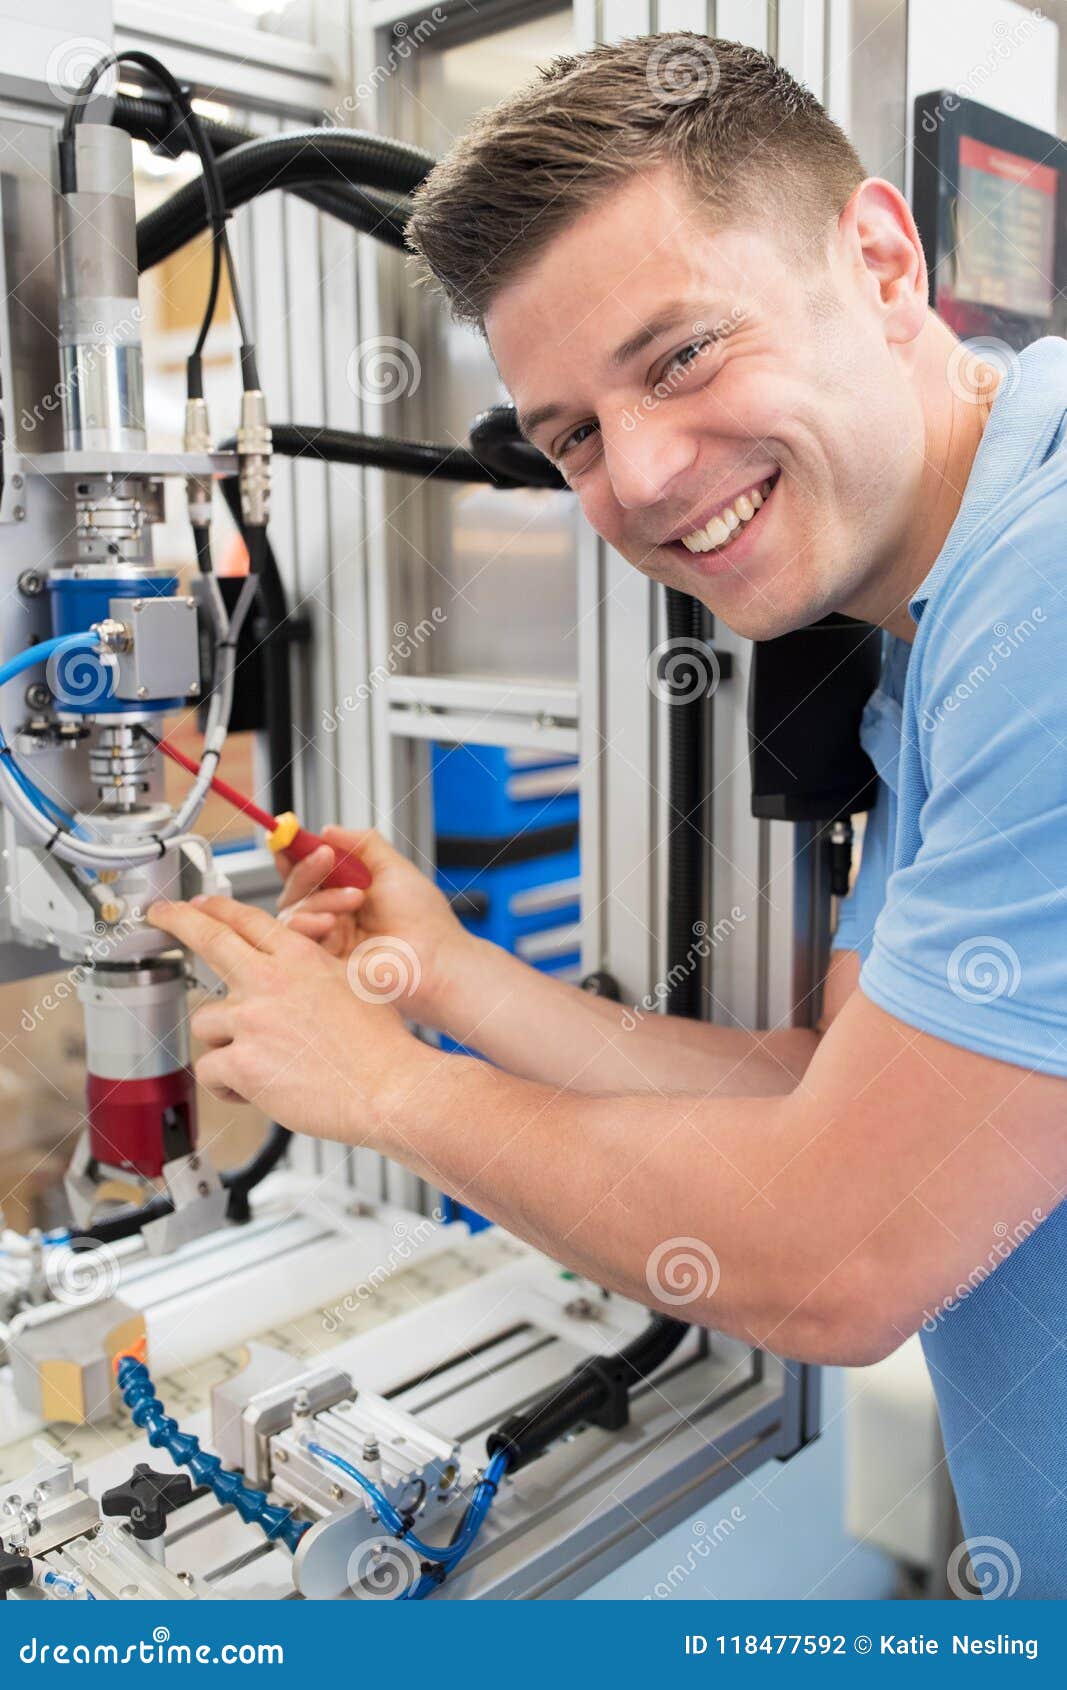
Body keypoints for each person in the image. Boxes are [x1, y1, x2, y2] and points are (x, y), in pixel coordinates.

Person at [149, 36, 1067, 1594]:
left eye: (684, 354)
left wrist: (388, 1090)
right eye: (570, 432)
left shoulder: (1045, 601)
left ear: (882, 256)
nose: (638, 477)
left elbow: (840, 1250)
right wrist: (437, 983)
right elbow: (820, 1093)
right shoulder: (943, 632)